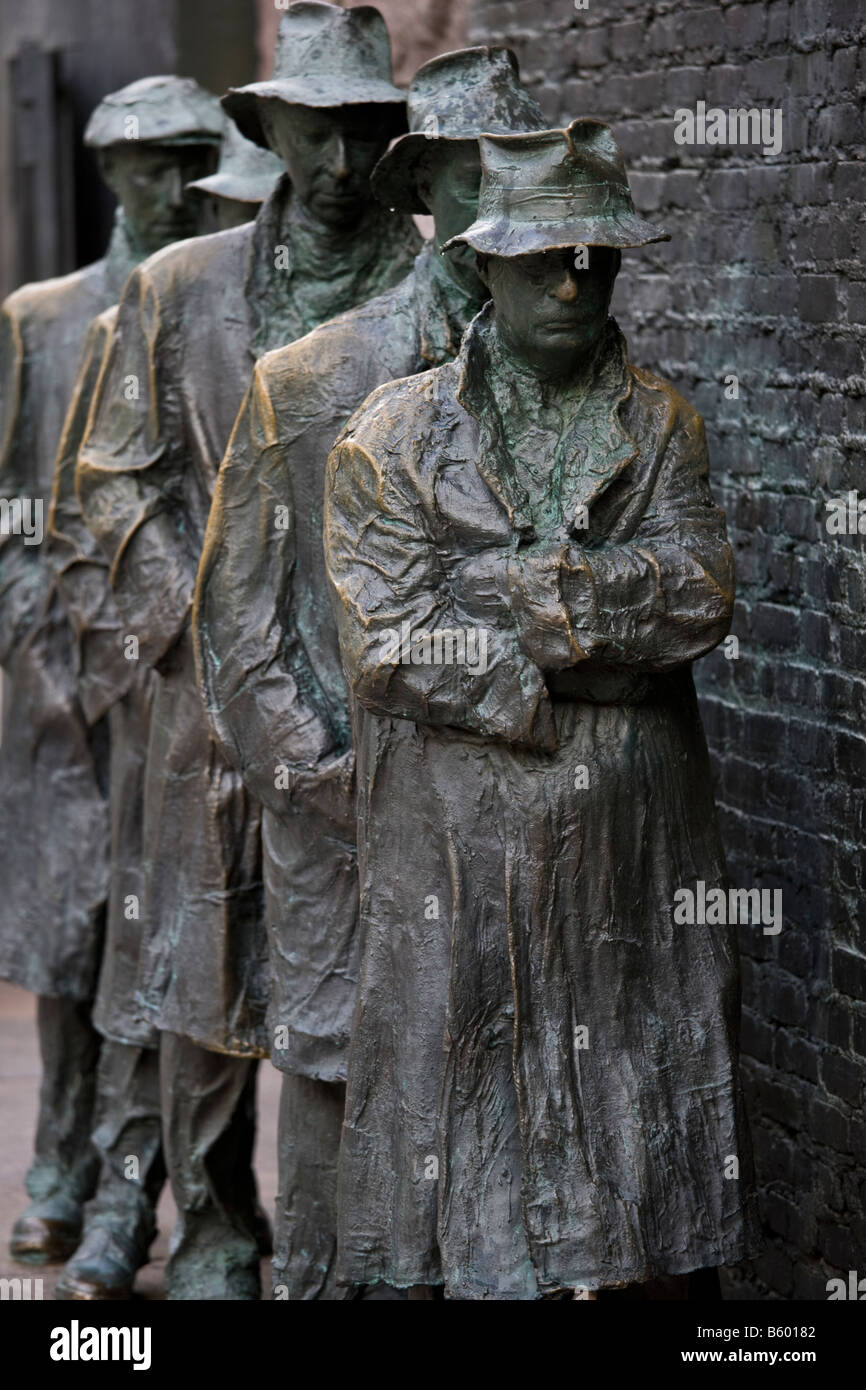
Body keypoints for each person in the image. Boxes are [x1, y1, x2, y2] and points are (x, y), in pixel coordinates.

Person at [325, 119, 759, 1298]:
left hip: (633, 843)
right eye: (543, 261)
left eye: (595, 259)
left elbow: (698, 597)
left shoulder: (661, 423)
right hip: (454, 850)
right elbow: (390, 645)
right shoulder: (391, 437)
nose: (574, 282)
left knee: (637, 1134)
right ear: (481, 266)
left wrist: (531, 593)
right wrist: (584, 672)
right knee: (463, 1135)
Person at [76, 1, 419, 1300]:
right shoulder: (180, 289)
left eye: (363, 136)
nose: (336, 168)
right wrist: (208, 640)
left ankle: (365, 1238)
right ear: (268, 129)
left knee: (367, 980)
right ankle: (216, 1230)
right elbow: (116, 482)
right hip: (205, 708)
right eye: (313, 135)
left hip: (374, 700)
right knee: (205, 973)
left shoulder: (433, 278)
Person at [194, 46, 545, 1300]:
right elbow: (237, 617)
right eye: (477, 170)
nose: (509, 197)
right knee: (339, 1053)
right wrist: (314, 773)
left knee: (500, 1053)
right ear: (428, 183)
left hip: (511, 804)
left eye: (525, 165)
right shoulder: (311, 376)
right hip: (344, 802)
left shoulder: (579, 368)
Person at [47, 99, 282, 1302]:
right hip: (168, 697)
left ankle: (231, 1215)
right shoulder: (130, 320)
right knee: (161, 962)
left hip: (297, 699)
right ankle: (127, 1196)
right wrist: (154, 648)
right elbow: (86, 516)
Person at [0, 76, 222, 1270]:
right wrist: (32, 628)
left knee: (155, 947)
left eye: (191, 157)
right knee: (69, 940)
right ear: (109, 173)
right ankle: (55, 1174)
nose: (173, 183)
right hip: (54, 686)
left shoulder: (210, 305)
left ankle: (143, 1194)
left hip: (173, 676)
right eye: (149, 162)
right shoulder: (39, 317)